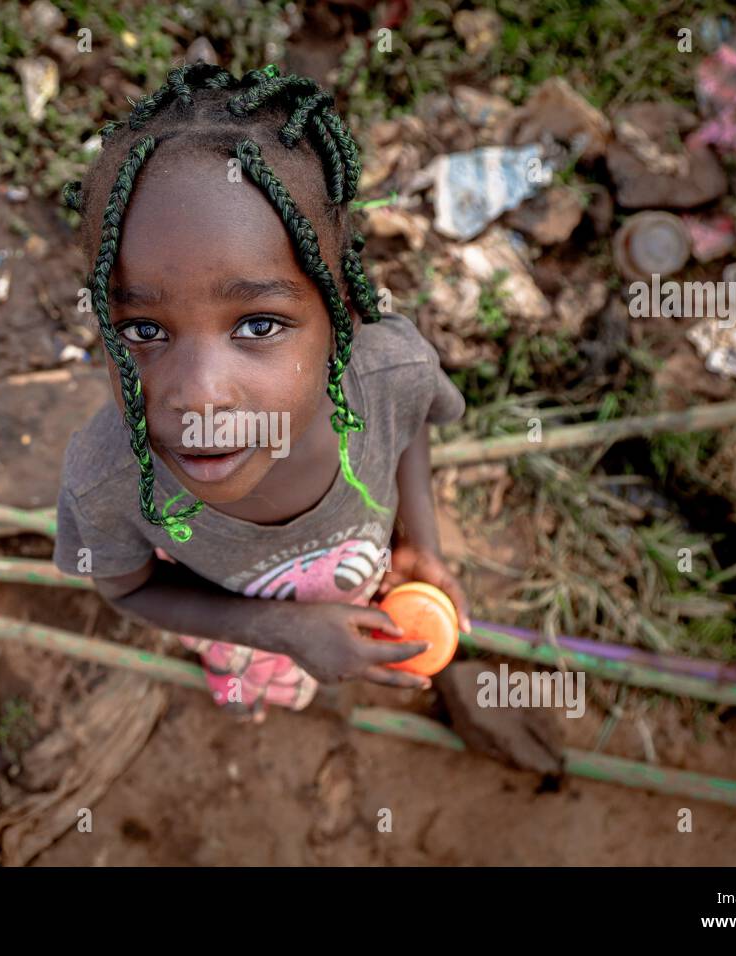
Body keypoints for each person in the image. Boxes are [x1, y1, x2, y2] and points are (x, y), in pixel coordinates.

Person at [53, 63, 469, 723]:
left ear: (341, 319)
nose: (198, 397)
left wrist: (420, 544)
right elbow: (129, 591)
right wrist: (282, 633)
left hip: (355, 588)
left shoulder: (391, 372)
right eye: (143, 328)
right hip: (238, 629)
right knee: (257, 685)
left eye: (257, 324)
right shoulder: (107, 478)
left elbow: (411, 420)